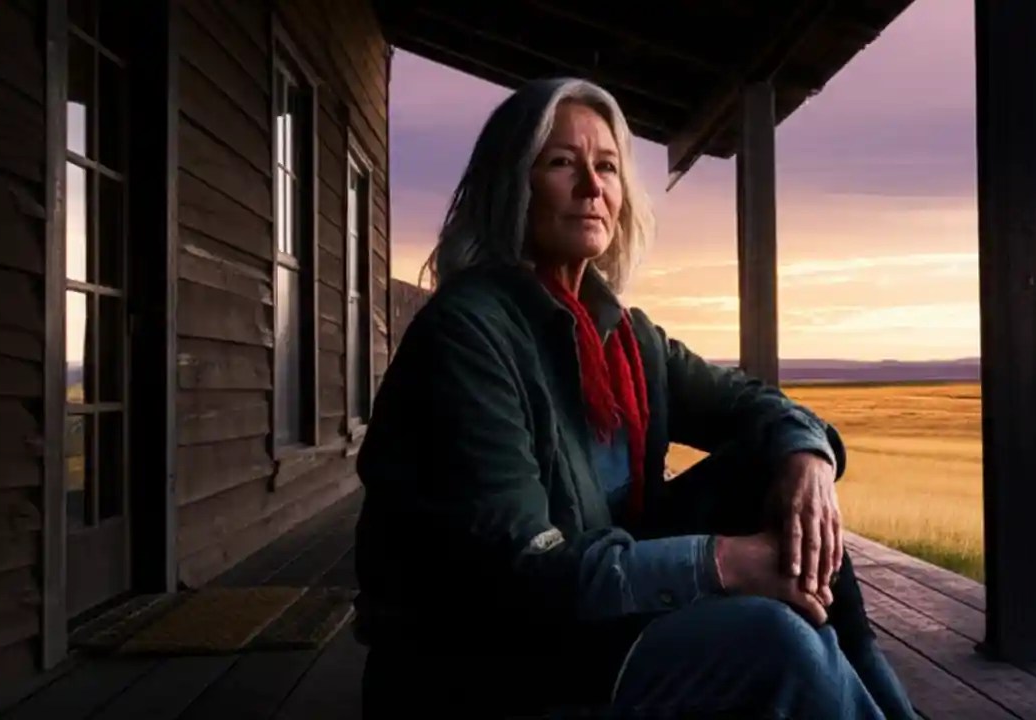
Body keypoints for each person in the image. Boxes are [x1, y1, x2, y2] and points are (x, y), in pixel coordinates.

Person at [353, 77, 917, 719]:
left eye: (608, 166)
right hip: (488, 661)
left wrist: (807, 462)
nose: (592, 187)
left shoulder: (622, 334)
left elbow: (753, 405)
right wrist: (725, 564)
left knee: (791, 503)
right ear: (512, 183)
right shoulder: (468, 335)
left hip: (593, 613)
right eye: (562, 162)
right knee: (778, 640)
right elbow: (523, 574)